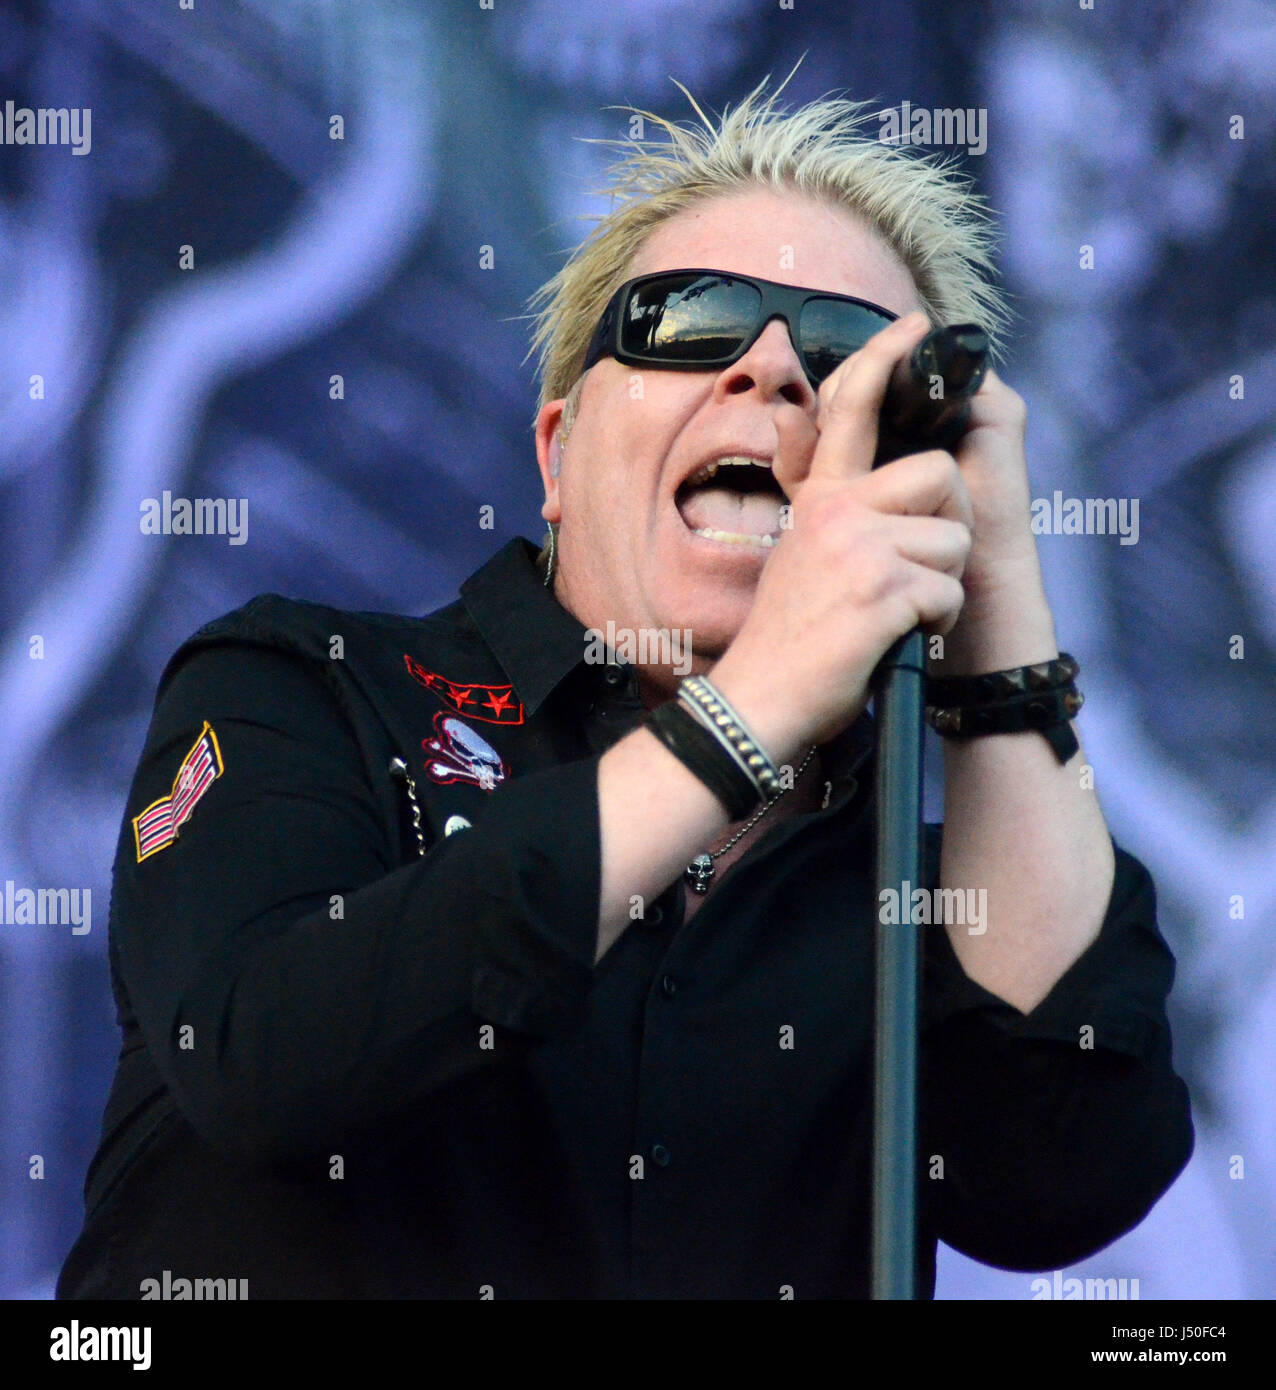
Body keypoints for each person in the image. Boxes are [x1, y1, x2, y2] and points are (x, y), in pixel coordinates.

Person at [57, 77, 1193, 1300]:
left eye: (846, 356)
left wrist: (1001, 613)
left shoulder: (919, 894)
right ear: (557, 452)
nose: (769, 369)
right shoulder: (305, 687)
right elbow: (263, 1057)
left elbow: (1063, 1174)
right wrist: (740, 722)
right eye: (686, 319)